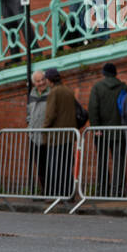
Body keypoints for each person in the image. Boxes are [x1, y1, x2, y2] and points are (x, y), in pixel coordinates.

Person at [87, 63, 124, 194]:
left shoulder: (97, 87)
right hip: (120, 130)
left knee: (102, 160)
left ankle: (102, 188)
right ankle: (117, 189)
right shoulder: (123, 86)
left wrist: (95, 126)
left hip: (101, 131)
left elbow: (92, 108)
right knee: (118, 161)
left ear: (104, 73)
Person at [42, 68, 77, 197]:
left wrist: (44, 128)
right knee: (67, 166)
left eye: (46, 79)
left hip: (56, 137)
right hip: (68, 135)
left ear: (49, 80)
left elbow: (50, 115)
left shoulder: (54, 92)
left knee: (56, 167)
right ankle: (69, 193)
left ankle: (58, 194)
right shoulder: (68, 90)